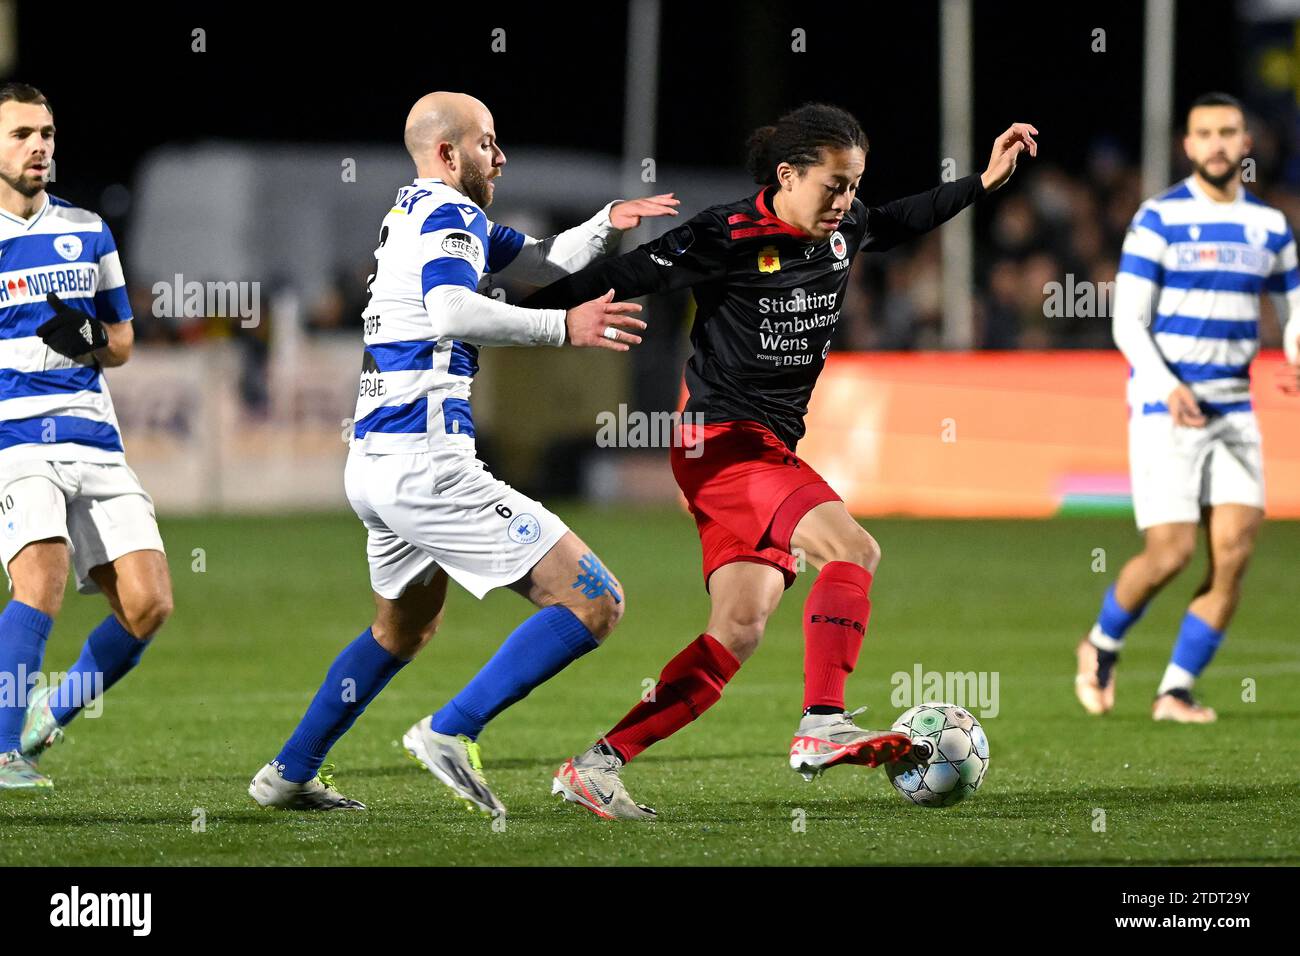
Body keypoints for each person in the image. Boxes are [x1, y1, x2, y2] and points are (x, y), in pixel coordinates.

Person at [525, 102, 1036, 819]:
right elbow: (630, 274)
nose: (847, 201)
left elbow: (899, 220)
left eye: (854, 184)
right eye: (834, 185)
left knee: (737, 630)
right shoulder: (725, 233)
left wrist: (981, 182)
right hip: (723, 442)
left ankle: (597, 765)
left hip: (761, 446)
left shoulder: (846, 228)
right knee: (853, 548)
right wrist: (516, 312)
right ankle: (823, 720)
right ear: (788, 174)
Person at [248, 92, 677, 815]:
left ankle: (289, 772)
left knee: (401, 628)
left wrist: (604, 224)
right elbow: (452, 310)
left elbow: (542, 263)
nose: (499, 156)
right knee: (596, 598)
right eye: (486, 143)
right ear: (447, 154)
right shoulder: (451, 215)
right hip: (427, 461)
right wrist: (562, 328)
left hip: (376, 462)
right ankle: (451, 729)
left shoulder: (413, 212)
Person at [1076, 92, 1300, 723]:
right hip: (1164, 407)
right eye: (1206, 133)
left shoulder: (1270, 226)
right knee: (1171, 553)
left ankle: (1174, 689)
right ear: (1189, 145)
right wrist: (1164, 383)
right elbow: (1128, 319)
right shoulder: (1159, 218)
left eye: (1230, 131)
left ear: (1246, 144)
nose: (1219, 143)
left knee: (1233, 553)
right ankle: (1102, 641)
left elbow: (1292, 307)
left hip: (1234, 408)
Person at [0, 82, 173, 791]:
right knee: (40, 578)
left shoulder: (88, 228)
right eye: (21, 134)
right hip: (14, 442)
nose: (39, 145)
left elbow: (124, 340)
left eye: (45, 132)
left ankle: (50, 713)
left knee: (149, 603)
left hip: (96, 441)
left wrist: (91, 336)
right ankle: (4, 748)